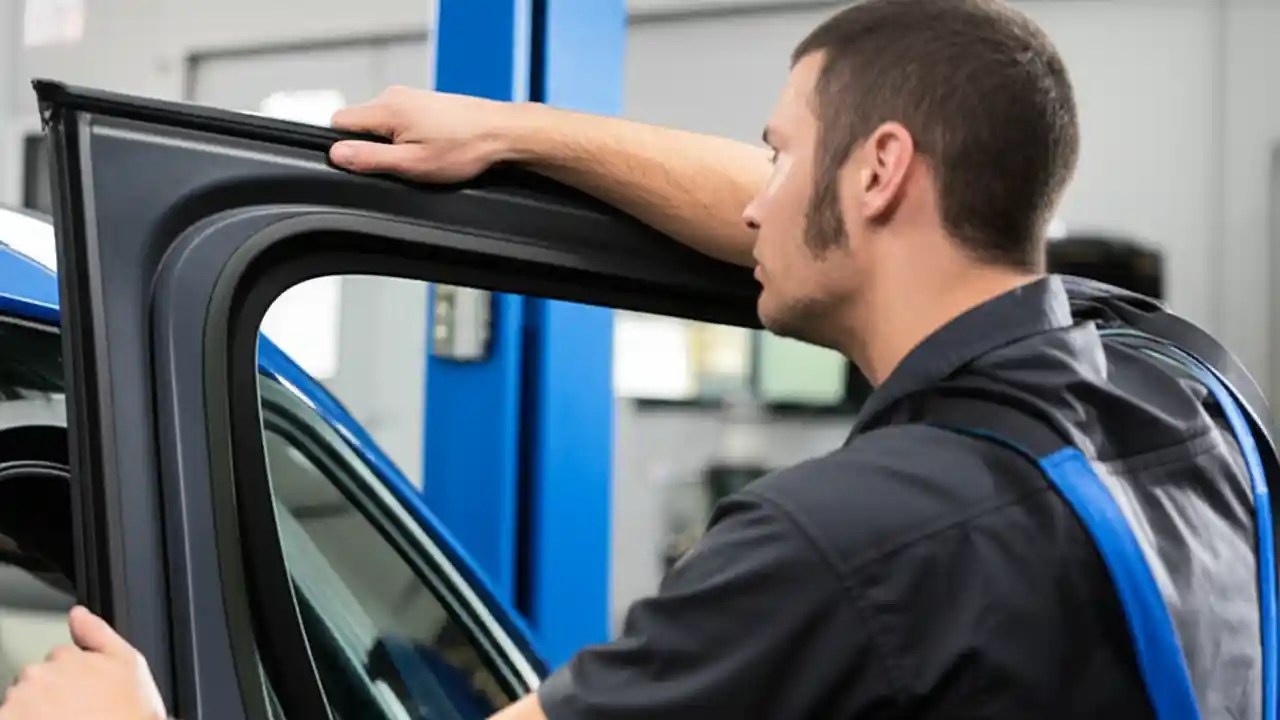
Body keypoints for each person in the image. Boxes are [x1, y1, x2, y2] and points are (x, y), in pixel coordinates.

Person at [0, 0, 1265, 718]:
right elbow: (888, 234)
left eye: (776, 154)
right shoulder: (1178, 386)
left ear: (879, 170)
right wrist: (516, 135)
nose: (754, 203)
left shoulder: (841, 547)